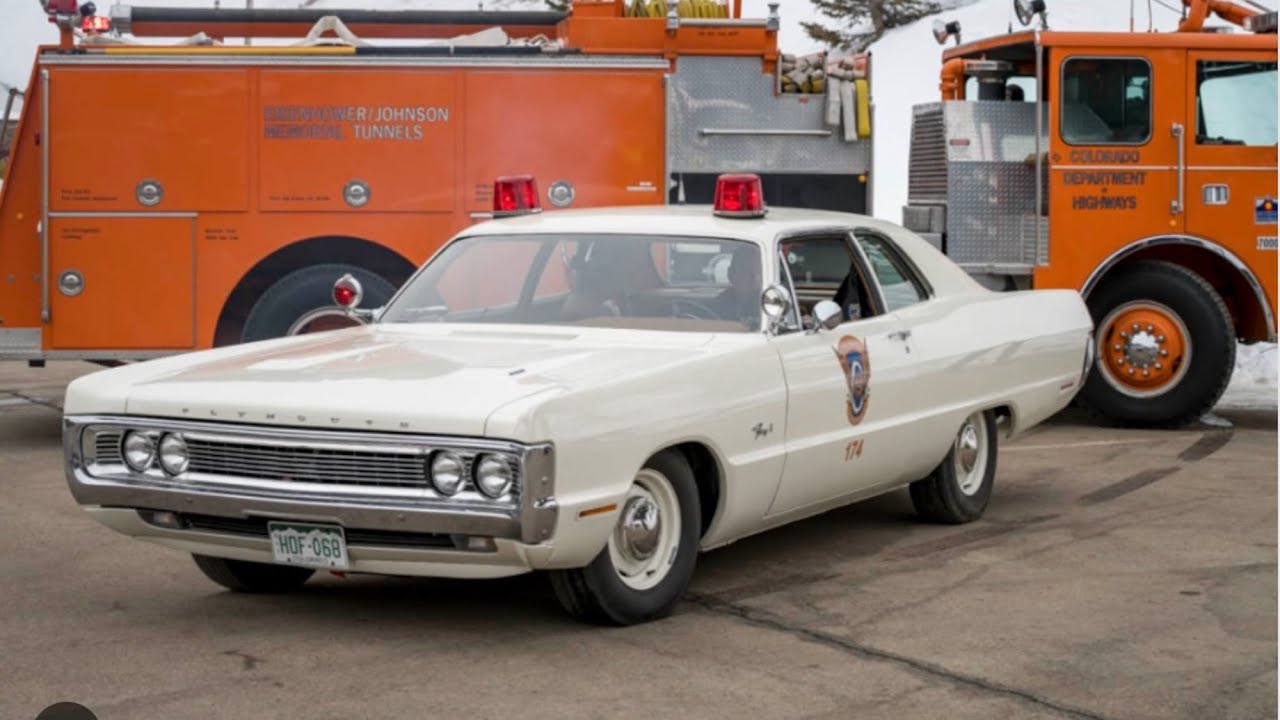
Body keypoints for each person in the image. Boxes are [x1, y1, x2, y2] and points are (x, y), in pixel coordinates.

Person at [712, 244, 762, 327]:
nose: (754, 278)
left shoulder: (769, 308)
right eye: (746, 271)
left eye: (759, 271)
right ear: (731, 274)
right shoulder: (717, 306)